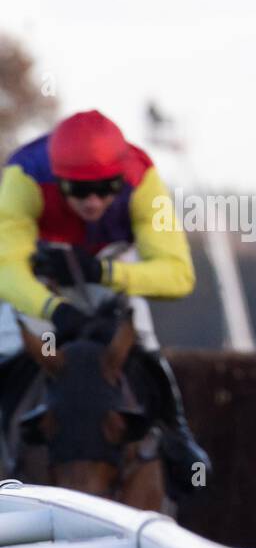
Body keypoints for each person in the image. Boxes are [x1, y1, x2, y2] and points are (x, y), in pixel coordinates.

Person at [0, 110, 210, 496]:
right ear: (56, 177)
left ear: (122, 175)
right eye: (79, 191)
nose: (94, 202)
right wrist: (55, 310)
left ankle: (179, 440)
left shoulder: (143, 179)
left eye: (106, 187)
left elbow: (178, 275)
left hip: (112, 272)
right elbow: (6, 270)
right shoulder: (23, 176)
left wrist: (102, 272)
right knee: (10, 348)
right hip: (38, 282)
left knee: (144, 347)